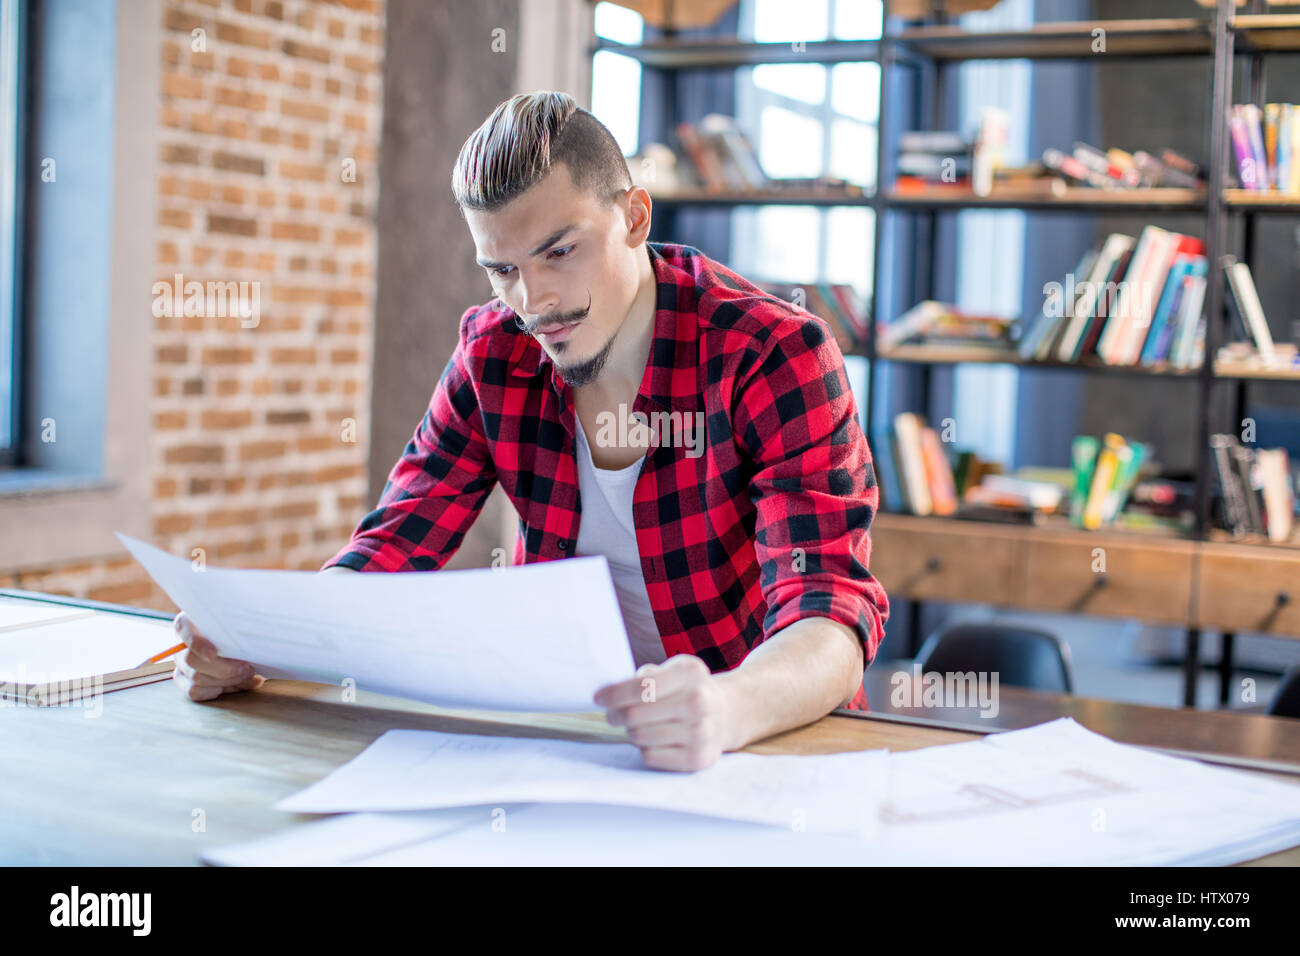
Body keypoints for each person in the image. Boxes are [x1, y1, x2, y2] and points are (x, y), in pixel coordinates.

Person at [175, 91, 890, 771]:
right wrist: (266, 639)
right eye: (502, 270)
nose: (533, 301)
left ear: (635, 217)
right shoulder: (494, 351)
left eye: (559, 252)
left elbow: (829, 614)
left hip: (764, 744)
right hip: (571, 740)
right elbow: (394, 545)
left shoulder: (773, 353)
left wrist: (727, 705)